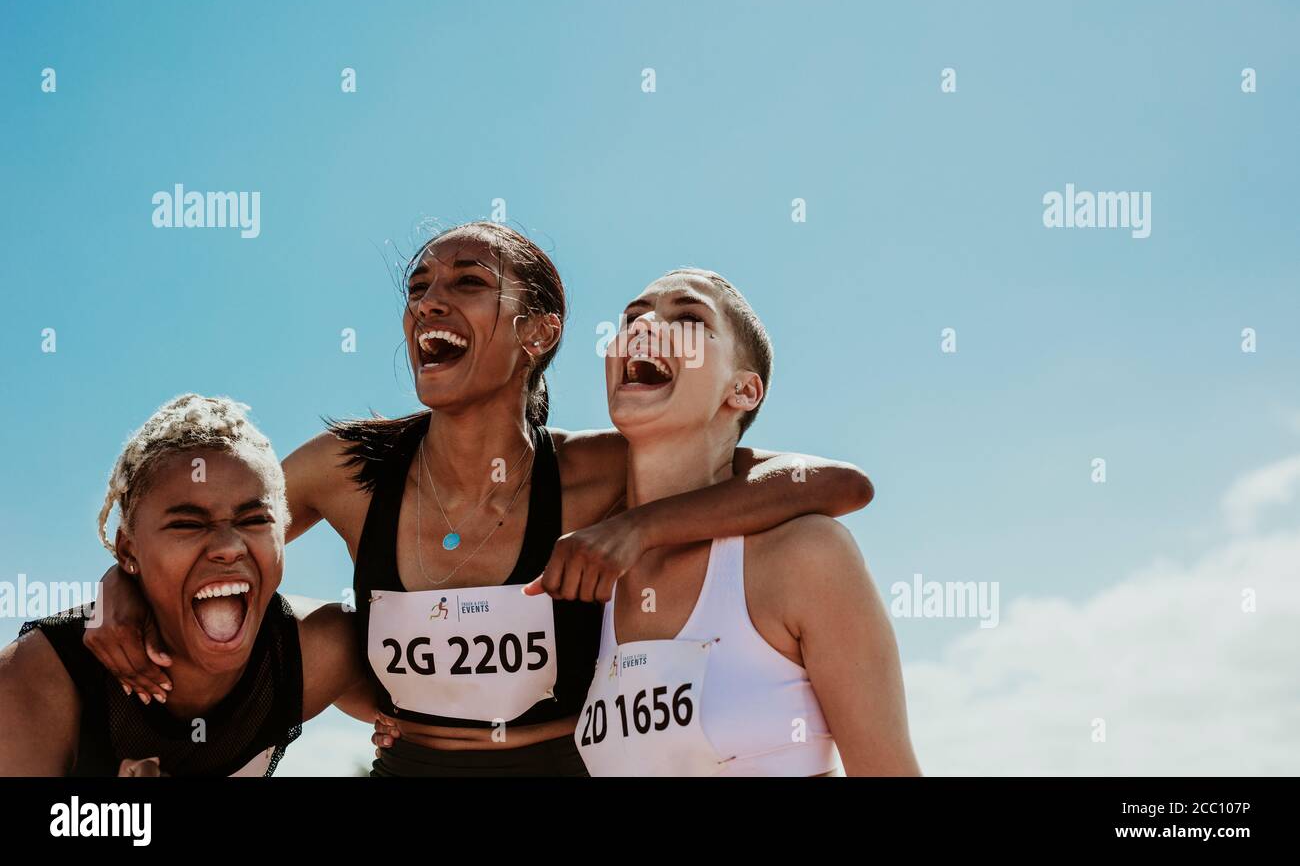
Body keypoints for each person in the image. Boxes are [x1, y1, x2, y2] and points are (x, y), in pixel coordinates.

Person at [87, 223, 874, 775]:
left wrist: (635, 529)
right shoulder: (346, 468)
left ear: (537, 334)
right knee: (321, 631)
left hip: (569, 771)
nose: (430, 302)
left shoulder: (601, 469)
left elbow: (831, 484)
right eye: (419, 287)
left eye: (467, 284)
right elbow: (214, 545)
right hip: (408, 773)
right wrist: (118, 584)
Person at [571, 269, 920, 775]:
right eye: (631, 317)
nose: (644, 325)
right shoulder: (580, 571)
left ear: (744, 390)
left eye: (688, 317)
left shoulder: (805, 554)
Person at [0, 395, 371, 776]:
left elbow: (426, 721)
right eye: (188, 524)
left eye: (254, 519)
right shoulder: (36, 681)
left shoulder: (320, 649)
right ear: (128, 548)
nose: (228, 547)